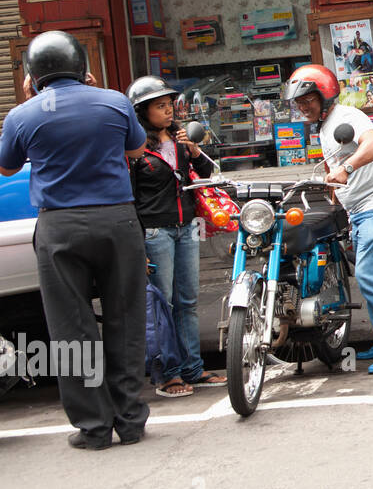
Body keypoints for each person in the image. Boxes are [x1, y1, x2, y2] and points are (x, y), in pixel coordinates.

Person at [0, 32, 151, 449]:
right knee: (126, 319)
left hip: (59, 227)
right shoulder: (115, 101)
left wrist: (30, 101)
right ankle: (131, 421)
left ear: (32, 76)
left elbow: (8, 165)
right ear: (85, 68)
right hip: (117, 221)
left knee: (70, 328)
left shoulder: (21, 115)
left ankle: (94, 427)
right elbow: (136, 150)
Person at [286, 64, 373, 373]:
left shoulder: (346, 117)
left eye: (308, 100)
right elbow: (334, 171)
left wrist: (348, 169)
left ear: (325, 95)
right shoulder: (325, 126)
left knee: (370, 275)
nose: (303, 107)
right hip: (360, 209)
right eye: (299, 102)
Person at [126, 75, 226, 398]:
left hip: (187, 227)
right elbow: (130, 196)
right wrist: (136, 242)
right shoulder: (135, 149)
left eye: (169, 105)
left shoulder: (180, 140)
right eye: (160, 106)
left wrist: (194, 150)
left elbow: (205, 176)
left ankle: (193, 369)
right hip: (155, 231)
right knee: (162, 303)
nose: (168, 111)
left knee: (188, 301)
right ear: (143, 112)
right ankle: (167, 374)